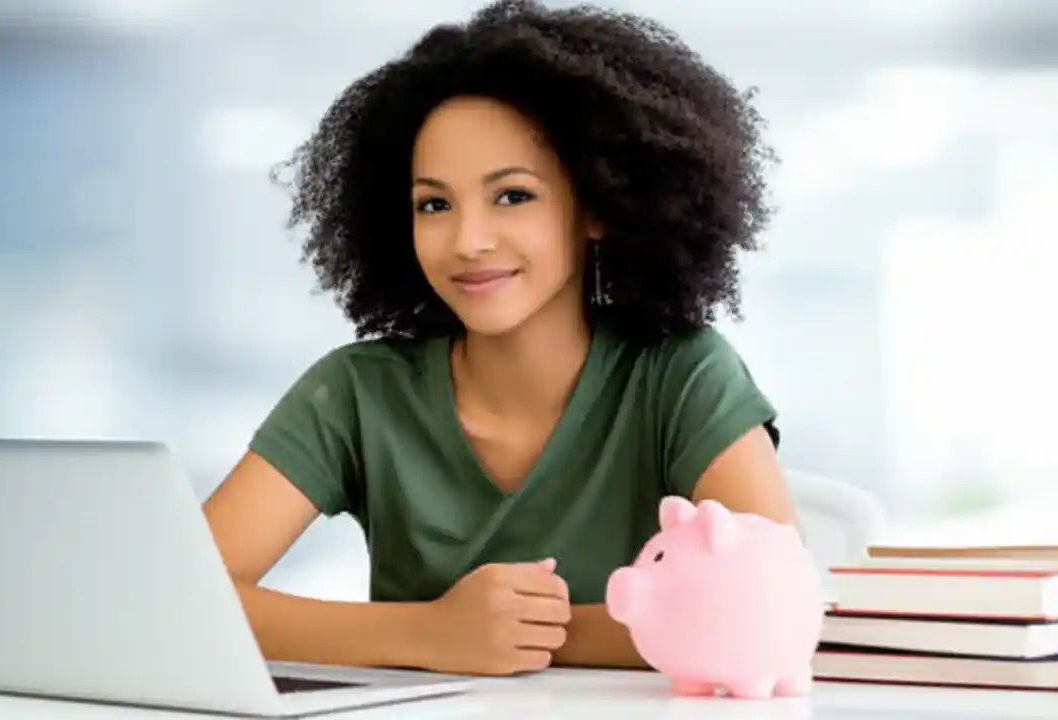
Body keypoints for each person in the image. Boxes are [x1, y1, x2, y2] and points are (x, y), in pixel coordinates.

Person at [202, 0, 797, 676]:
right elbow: (181, 599)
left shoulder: (680, 375)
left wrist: (517, 635)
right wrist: (427, 633)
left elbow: (771, 608)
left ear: (598, 205)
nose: (469, 241)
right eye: (434, 204)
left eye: (512, 195)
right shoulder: (355, 394)